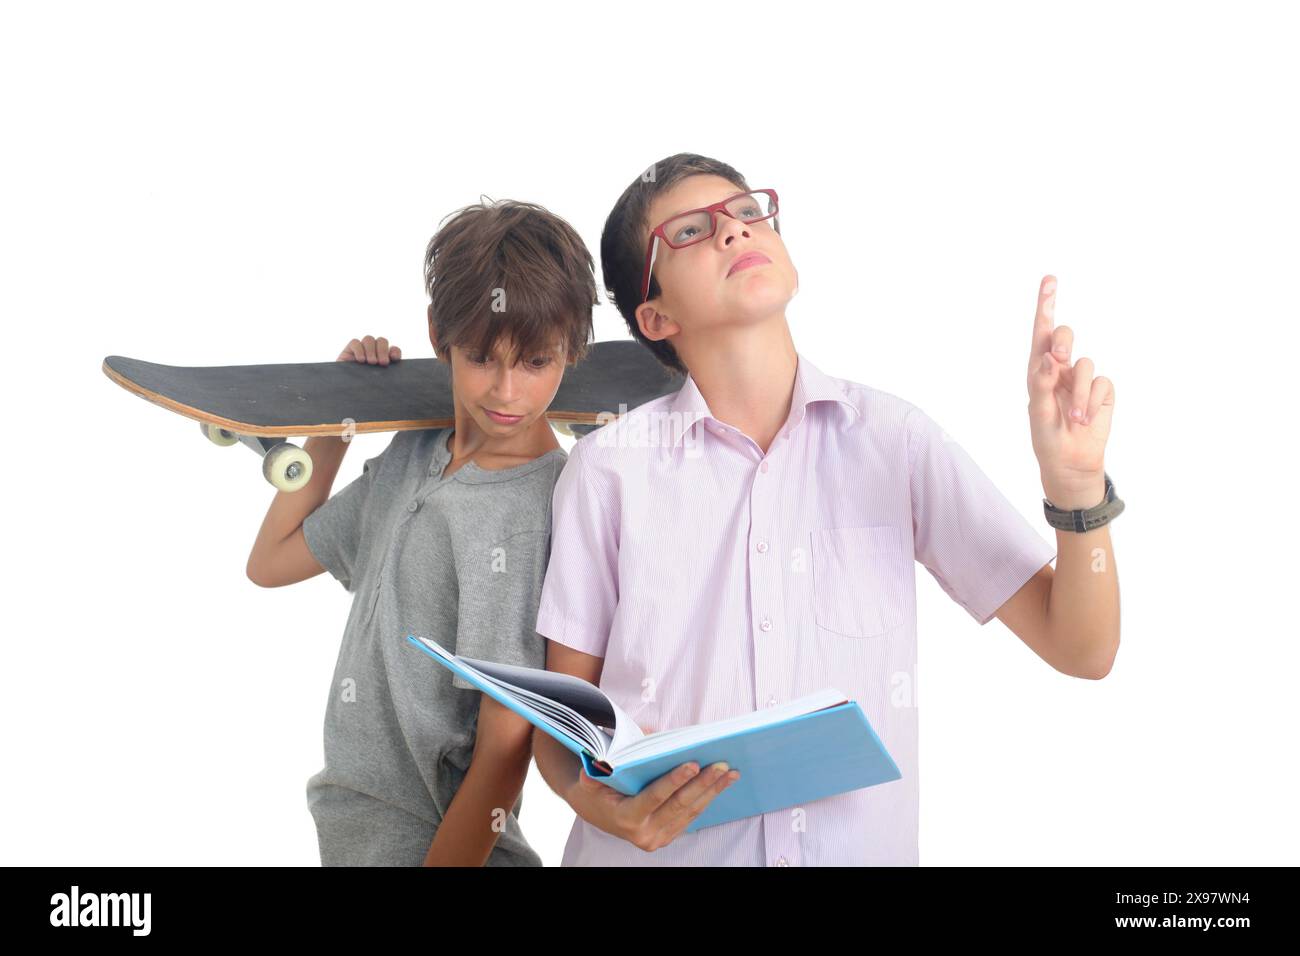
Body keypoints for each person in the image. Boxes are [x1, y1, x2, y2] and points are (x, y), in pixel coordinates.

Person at [530, 153, 1122, 866]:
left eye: (748, 213)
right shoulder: (608, 470)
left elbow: (1083, 649)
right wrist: (592, 799)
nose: (733, 232)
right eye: (690, 231)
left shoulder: (894, 440)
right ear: (655, 316)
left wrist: (1077, 488)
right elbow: (565, 725)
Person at [245, 197, 597, 865]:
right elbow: (272, 560)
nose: (506, 391)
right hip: (354, 832)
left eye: (534, 363)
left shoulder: (535, 506)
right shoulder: (414, 456)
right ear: (440, 337)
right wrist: (338, 422)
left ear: (570, 353)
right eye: (480, 357)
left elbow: (505, 743)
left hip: (440, 847)